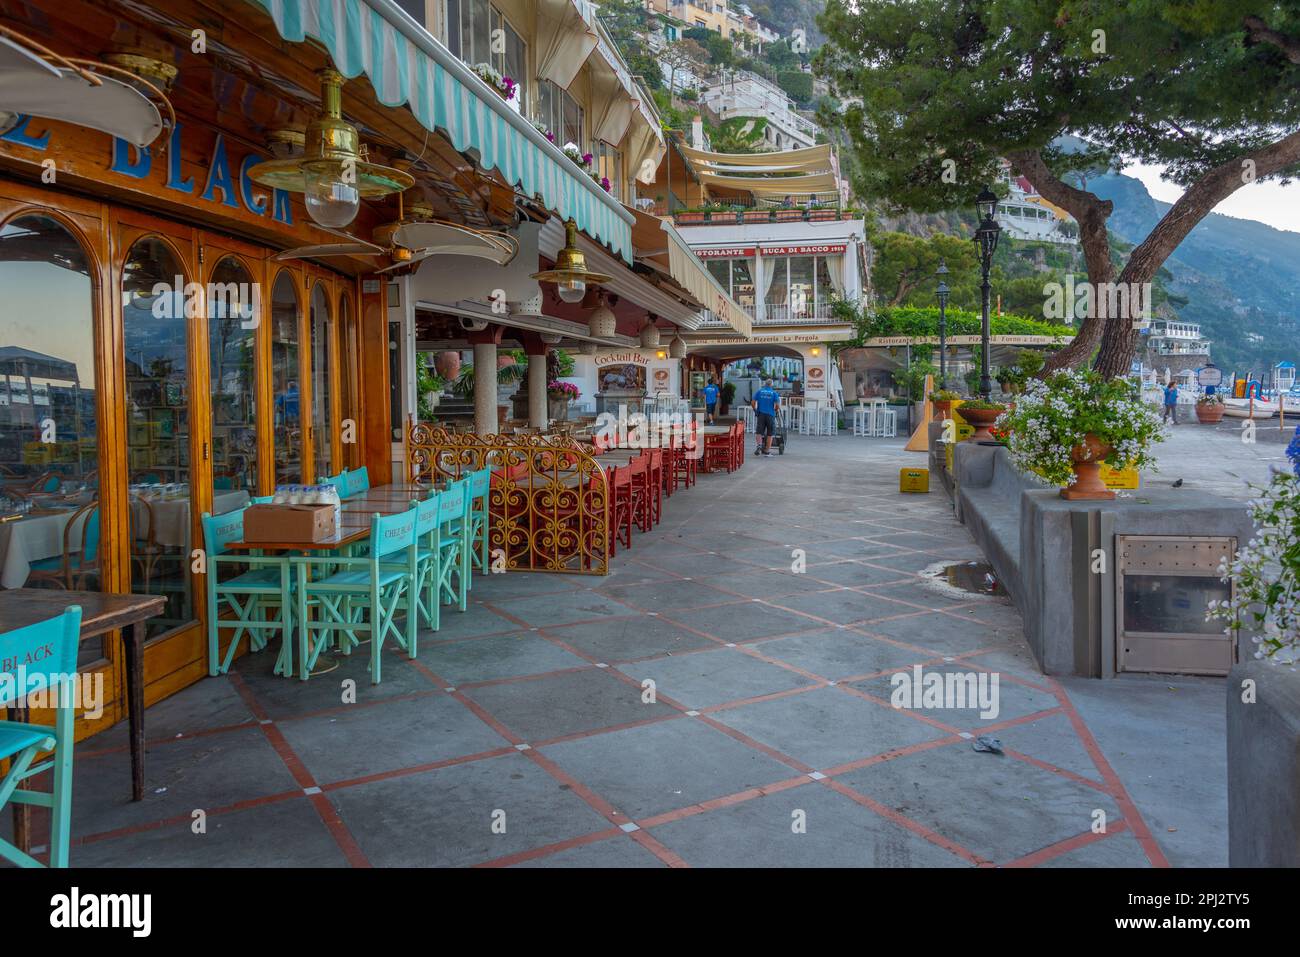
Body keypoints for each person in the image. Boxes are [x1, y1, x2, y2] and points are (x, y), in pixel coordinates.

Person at [752, 378, 782, 456]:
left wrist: (755, 410)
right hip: (770, 415)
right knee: (770, 433)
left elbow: (753, 402)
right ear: (771, 384)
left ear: (765, 384)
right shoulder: (774, 393)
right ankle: (767, 451)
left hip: (761, 414)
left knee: (759, 432)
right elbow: (777, 405)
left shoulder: (759, 391)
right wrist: (775, 410)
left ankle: (759, 446)